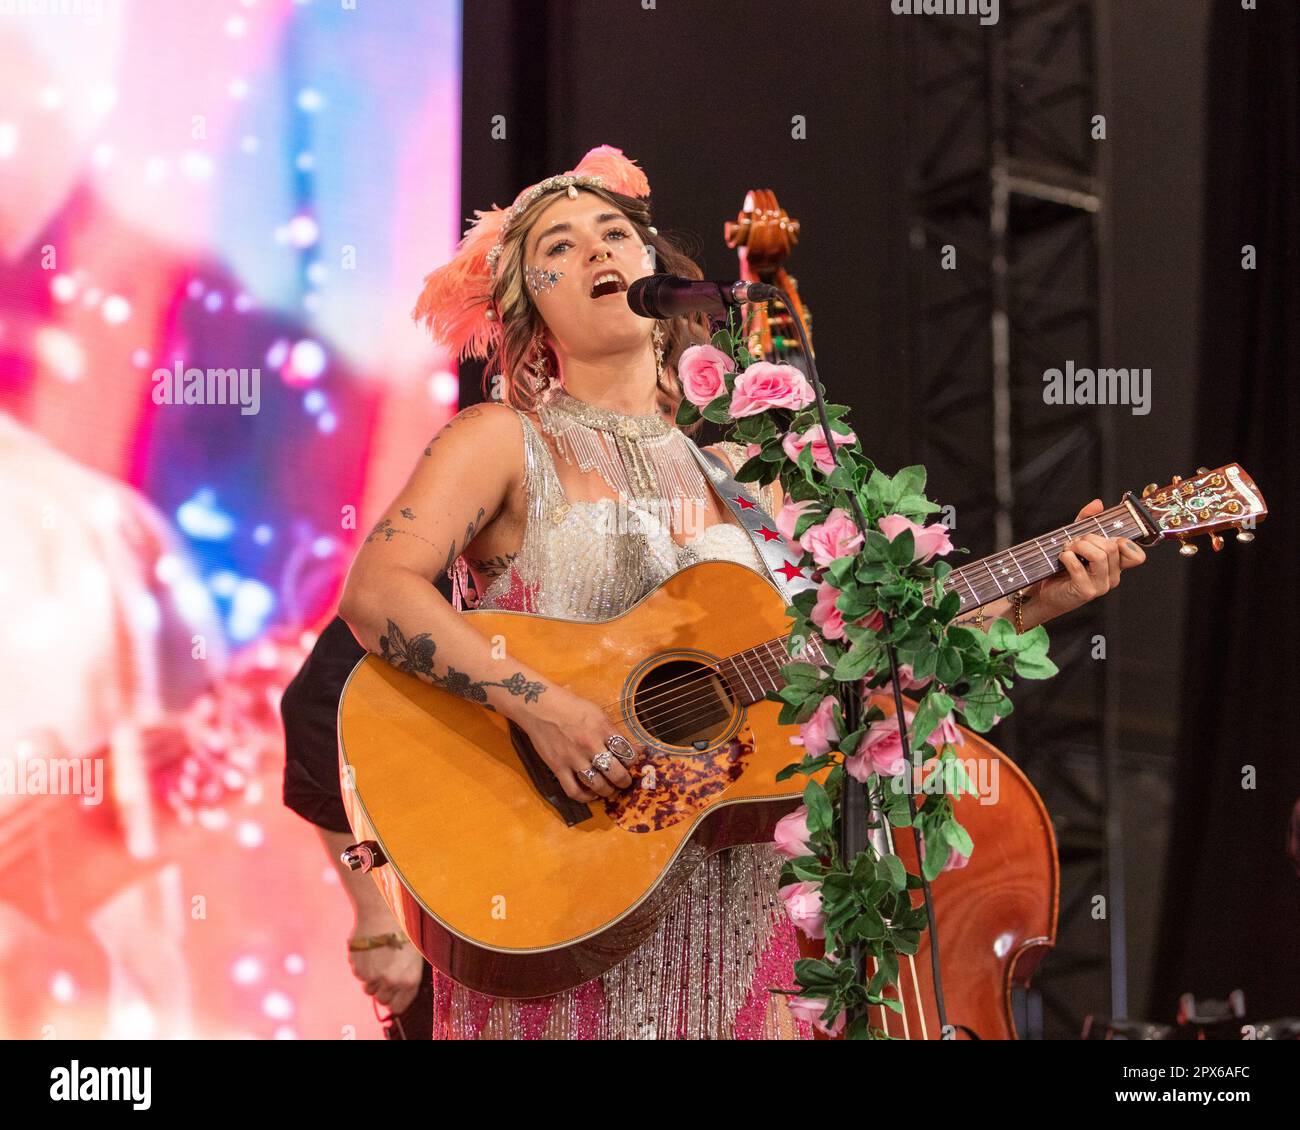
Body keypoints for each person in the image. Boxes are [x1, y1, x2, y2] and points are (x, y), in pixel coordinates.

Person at [307, 144, 1148, 1039]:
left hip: (737, 926)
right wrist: (544, 707)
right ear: (531, 308)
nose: (597, 251)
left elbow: (852, 660)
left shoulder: (750, 474)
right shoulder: (499, 441)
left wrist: (1027, 606)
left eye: (615, 233)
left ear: (655, 272)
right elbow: (379, 592)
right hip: (553, 892)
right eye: (560, 245)